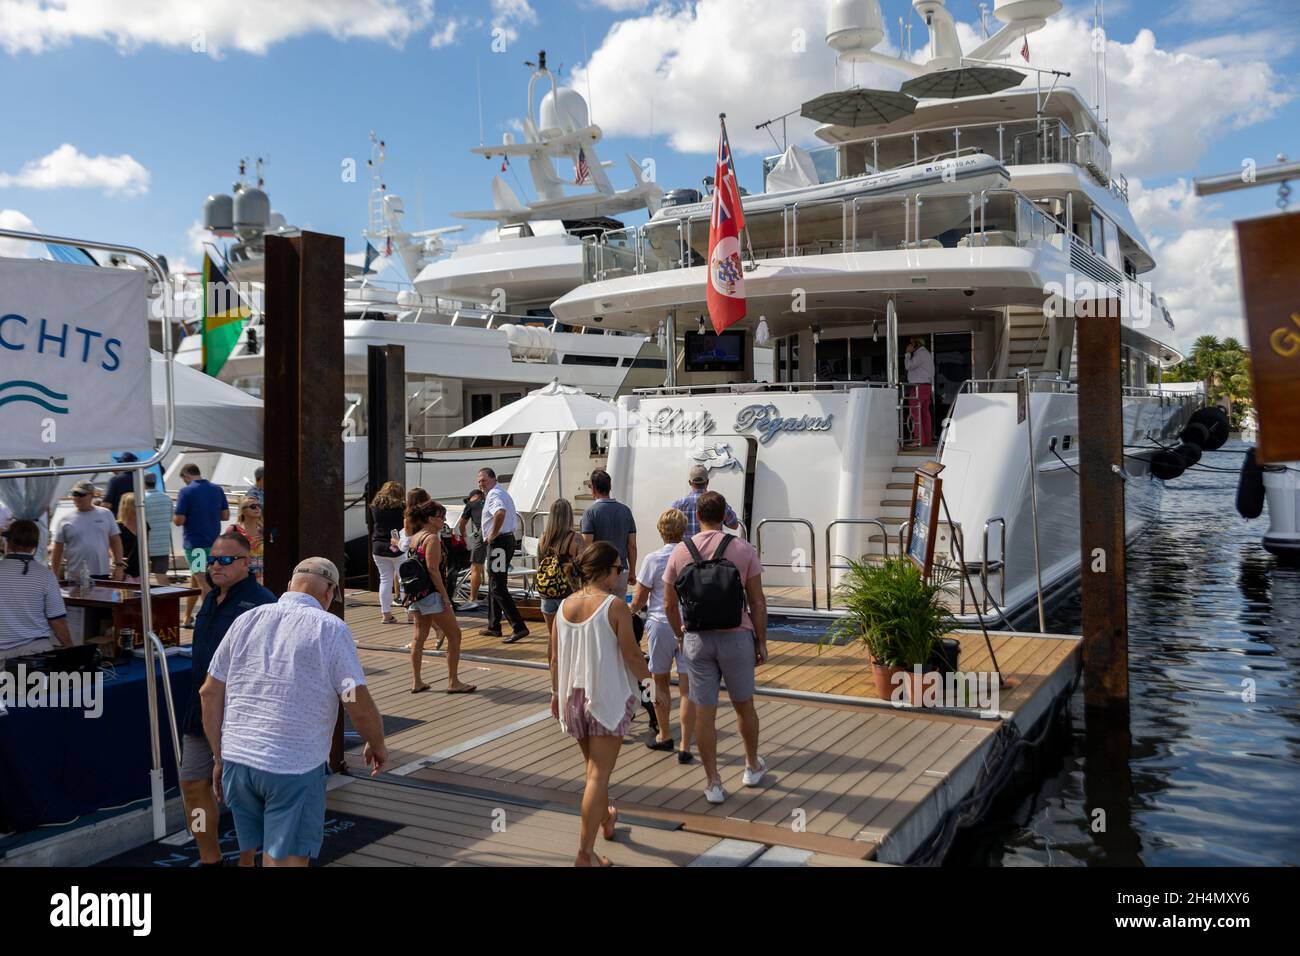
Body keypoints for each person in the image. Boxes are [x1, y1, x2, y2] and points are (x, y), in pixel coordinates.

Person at [200, 557, 388, 867]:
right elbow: (354, 697)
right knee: (284, 859)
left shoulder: (248, 619)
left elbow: (209, 692)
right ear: (329, 591)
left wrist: (219, 757)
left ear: (290, 586)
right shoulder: (329, 628)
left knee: (249, 852)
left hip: (237, 760)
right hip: (292, 766)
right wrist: (377, 742)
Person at [662, 491, 769, 805]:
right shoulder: (742, 548)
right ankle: (751, 766)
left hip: (697, 639)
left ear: (698, 514)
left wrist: (680, 635)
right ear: (724, 516)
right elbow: (757, 601)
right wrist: (761, 640)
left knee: (704, 713)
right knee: (743, 705)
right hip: (737, 637)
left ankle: (713, 783)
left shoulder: (681, 552)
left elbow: (670, 604)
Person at [550, 542, 650, 866]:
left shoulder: (564, 606)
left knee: (594, 771)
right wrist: (653, 690)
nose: (621, 574)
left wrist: (554, 695)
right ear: (606, 572)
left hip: (572, 697)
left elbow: (553, 658)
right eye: (619, 568)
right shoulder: (614, 606)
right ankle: (584, 853)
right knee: (598, 775)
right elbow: (633, 656)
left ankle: (606, 818)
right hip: (604, 695)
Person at [180, 531, 275, 866]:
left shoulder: (262, 603)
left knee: (242, 795)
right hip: (201, 711)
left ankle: (247, 860)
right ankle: (210, 859)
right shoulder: (209, 599)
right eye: (212, 559)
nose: (215, 565)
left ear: (246, 564)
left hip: (241, 715)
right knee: (192, 784)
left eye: (225, 560)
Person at [631, 508, 694, 764]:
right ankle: (685, 742)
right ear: (684, 530)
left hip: (660, 625)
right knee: (688, 686)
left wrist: (629, 611)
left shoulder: (653, 559)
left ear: (660, 531)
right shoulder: (692, 557)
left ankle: (664, 734)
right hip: (688, 626)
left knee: (659, 681)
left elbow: (640, 598)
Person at [405, 499, 476, 694]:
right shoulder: (432, 539)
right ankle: (453, 681)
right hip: (432, 594)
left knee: (419, 637)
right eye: (440, 516)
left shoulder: (415, 537)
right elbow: (433, 570)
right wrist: (445, 597)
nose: (443, 519)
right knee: (455, 635)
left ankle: (417, 681)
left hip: (416, 594)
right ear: (429, 518)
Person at [0, 520, 72, 664]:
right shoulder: (46, 575)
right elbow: (57, 621)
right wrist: (71, 650)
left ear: (8, 542)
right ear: (35, 545)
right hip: (35, 652)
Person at [477, 467, 529, 644]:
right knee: (495, 583)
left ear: (493, 479)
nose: (481, 484)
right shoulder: (500, 493)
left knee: (497, 585)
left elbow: (500, 513)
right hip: (505, 541)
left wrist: (492, 534)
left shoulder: (494, 495)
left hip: (499, 543)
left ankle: (518, 626)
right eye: (479, 481)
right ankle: (494, 625)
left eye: (483, 480)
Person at [174, 464, 230, 627]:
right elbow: (225, 515)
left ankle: (211, 620)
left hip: (195, 545)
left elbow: (179, 520)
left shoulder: (186, 491)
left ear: (186, 476)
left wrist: (176, 517)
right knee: (195, 580)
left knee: (203, 582)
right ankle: (186, 617)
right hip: (214, 545)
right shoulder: (217, 489)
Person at [51, 480, 124, 582]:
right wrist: (54, 574)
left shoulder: (106, 514)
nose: (77, 498)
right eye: (75, 494)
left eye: (81, 494)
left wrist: (119, 566)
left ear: (92, 495)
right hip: (75, 576)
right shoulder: (65, 519)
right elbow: (57, 549)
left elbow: (115, 540)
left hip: (102, 573)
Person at [580, 469, 637, 597]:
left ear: (593, 489)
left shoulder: (590, 513)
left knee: (598, 609)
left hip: (599, 572)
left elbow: (587, 546)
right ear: (610, 487)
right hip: (621, 570)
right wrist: (632, 572)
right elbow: (631, 545)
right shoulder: (626, 511)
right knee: (618, 608)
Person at [537, 498, 581, 647]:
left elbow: (540, 564)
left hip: (547, 593)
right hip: (568, 592)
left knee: (553, 638)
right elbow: (583, 566)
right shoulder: (575, 538)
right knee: (571, 639)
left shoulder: (543, 538)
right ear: (569, 516)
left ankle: (554, 669)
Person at [369, 481, 406, 624]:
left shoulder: (374, 507)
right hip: (397, 546)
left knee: (385, 580)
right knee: (404, 580)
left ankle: (386, 614)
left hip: (378, 547)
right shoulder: (402, 507)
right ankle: (409, 613)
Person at [672, 465, 739, 537]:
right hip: (712, 547)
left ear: (690, 482)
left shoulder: (678, 504)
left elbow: (670, 529)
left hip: (686, 547)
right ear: (707, 482)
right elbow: (734, 525)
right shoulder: (717, 501)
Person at [455, 488, 487, 611]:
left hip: (482, 534)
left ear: (473, 497)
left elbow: (462, 524)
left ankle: (472, 598)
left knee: (475, 567)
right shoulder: (488, 502)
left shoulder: (470, 504)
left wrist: (465, 538)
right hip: (495, 534)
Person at [143, 472, 174, 586]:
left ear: (143, 483)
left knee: (143, 578)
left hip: (147, 545)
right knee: (161, 575)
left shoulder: (142, 500)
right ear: (155, 483)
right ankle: (168, 600)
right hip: (163, 544)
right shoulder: (167, 498)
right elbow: (170, 518)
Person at [904, 335, 935, 446]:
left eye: (911, 344)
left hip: (919, 387)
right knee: (925, 414)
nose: (909, 346)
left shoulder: (920, 354)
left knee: (915, 413)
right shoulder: (926, 354)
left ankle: (918, 440)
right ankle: (927, 440)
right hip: (926, 386)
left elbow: (908, 366)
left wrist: (907, 354)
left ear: (916, 345)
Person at [228, 496, 264, 583]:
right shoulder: (234, 530)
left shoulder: (264, 530)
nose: (257, 508)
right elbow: (225, 553)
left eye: (259, 506)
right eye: (253, 506)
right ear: (243, 511)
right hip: (241, 578)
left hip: (262, 579)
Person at [115, 493, 143, 584]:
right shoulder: (118, 527)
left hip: (140, 569)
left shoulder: (143, 525)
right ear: (127, 507)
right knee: (126, 596)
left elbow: (146, 547)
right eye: (134, 505)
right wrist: (117, 562)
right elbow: (111, 546)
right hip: (125, 569)